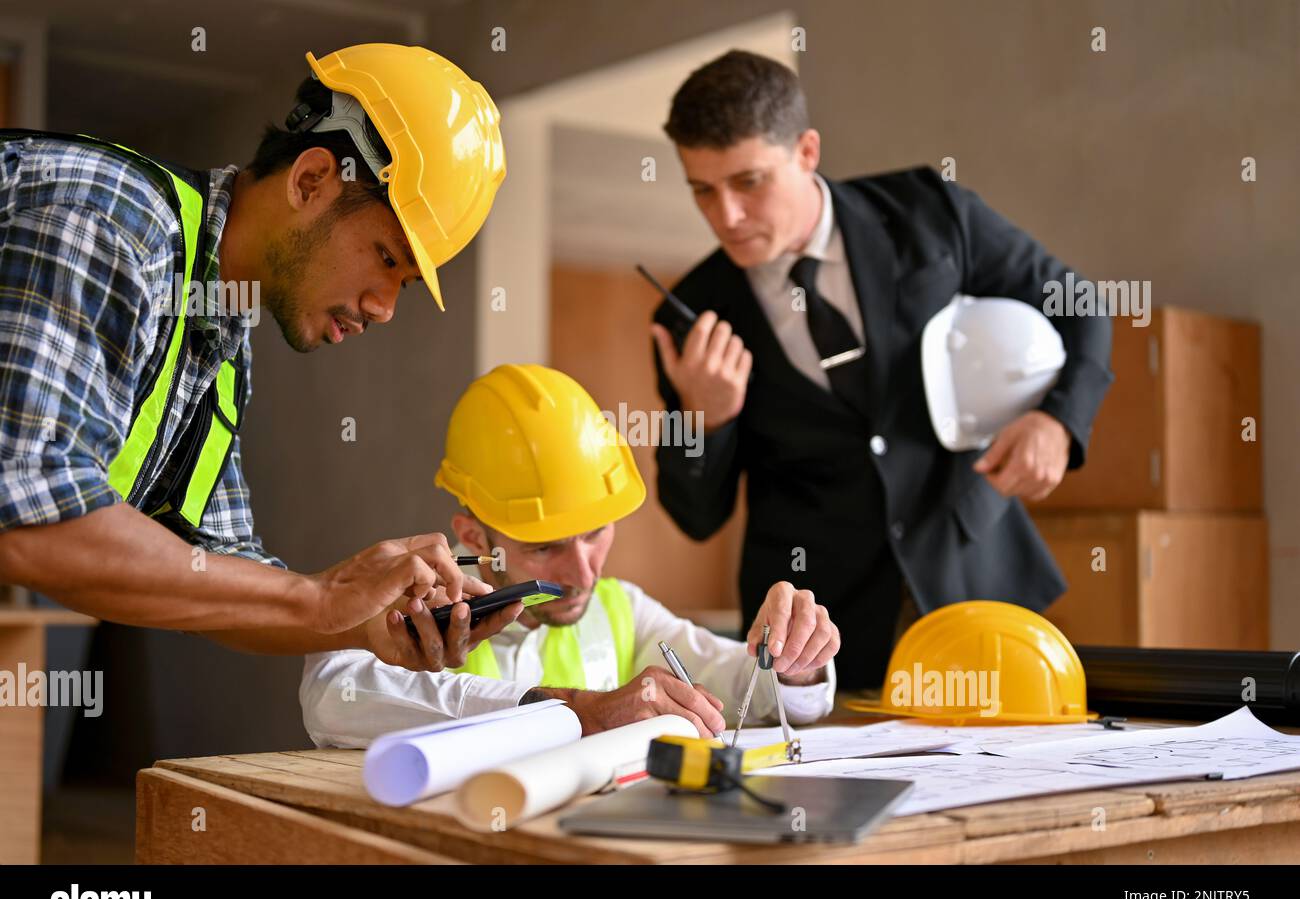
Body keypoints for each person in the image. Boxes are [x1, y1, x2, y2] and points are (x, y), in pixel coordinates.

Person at [0, 44, 519, 672]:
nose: (385, 307)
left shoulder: (220, 341)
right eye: (387, 257)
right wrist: (318, 600)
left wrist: (363, 627)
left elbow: (216, 569)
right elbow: (27, 513)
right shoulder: (113, 223)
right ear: (310, 181)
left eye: (404, 283)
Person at [649, 50, 1113, 688]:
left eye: (748, 181)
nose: (725, 215)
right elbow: (696, 516)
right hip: (817, 639)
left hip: (977, 579)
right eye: (702, 189)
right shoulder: (691, 314)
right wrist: (705, 421)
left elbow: (1081, 304)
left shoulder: (928, 211)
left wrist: (1058, 422)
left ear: (807, 152)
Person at [301, 364, 840, 746]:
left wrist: (795, 660)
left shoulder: (622, 610)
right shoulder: (406, 597)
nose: (584, 572)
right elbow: (331, 699)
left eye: (596, 533)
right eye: (545, 546)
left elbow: (773, 700)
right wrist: (574, 711)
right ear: (475, 536)